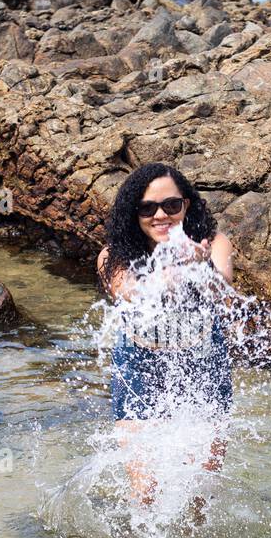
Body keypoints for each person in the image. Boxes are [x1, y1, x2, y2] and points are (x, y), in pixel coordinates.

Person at [96, 163, 234, 506]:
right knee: (146, 490)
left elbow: (224, 291)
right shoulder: (112, 256)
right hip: (139, 366)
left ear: (185, 204)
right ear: (134, 213)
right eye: (148, 208)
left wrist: (199, 265)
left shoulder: (213, 244)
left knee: (196, 491)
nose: (161, 215)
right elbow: (127, 292)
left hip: (203, 361)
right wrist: (163, 280)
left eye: (170, 205)